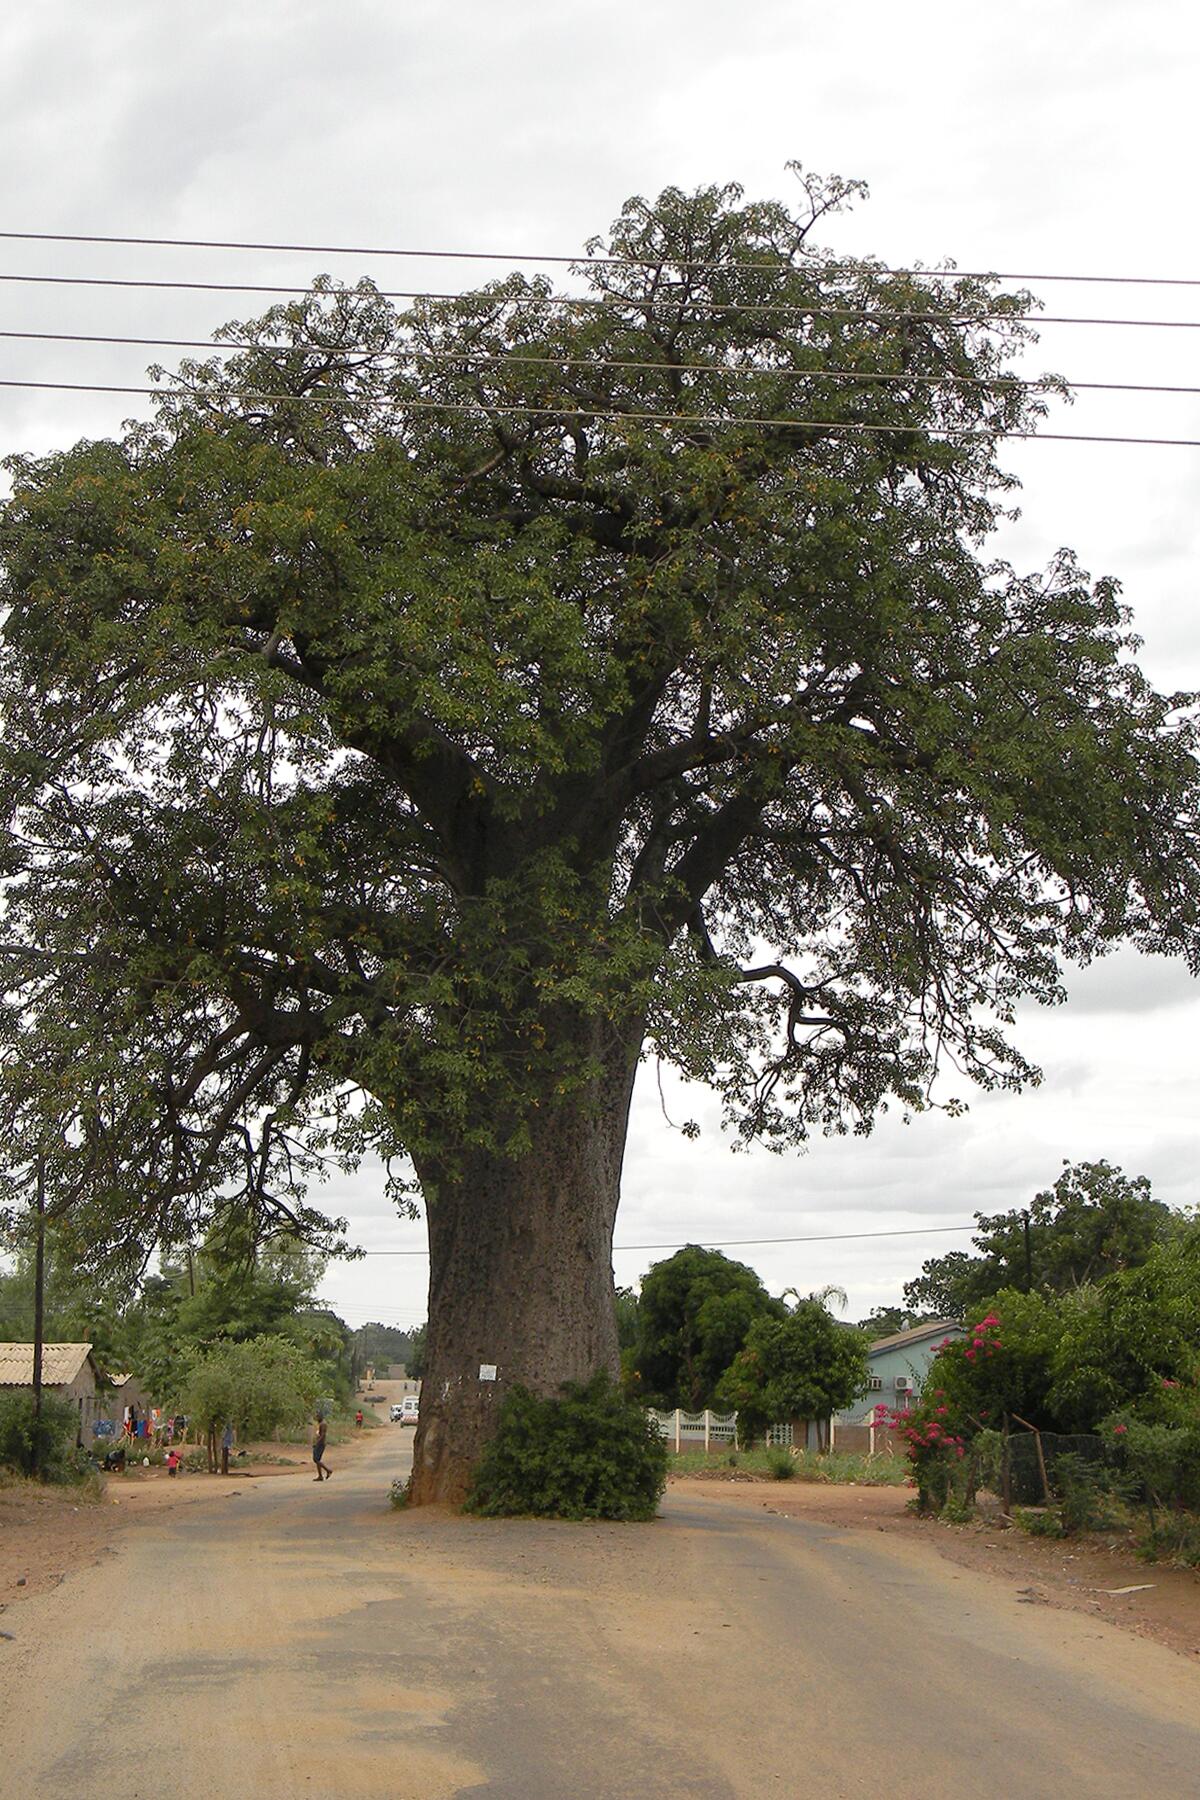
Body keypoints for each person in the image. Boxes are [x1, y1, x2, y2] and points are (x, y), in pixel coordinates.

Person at [312, 1415, 332, 1481]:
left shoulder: (323, 1424)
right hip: (319, 1443)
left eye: (318, 1417)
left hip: (320, 1444)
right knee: (318, 1460)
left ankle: (328, 1470)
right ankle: (320, 1476)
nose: (316, 1418)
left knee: (316, 1459)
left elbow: (323, 1435)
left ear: (321, 1417)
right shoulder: (320, 1424)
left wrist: (317, 1443)